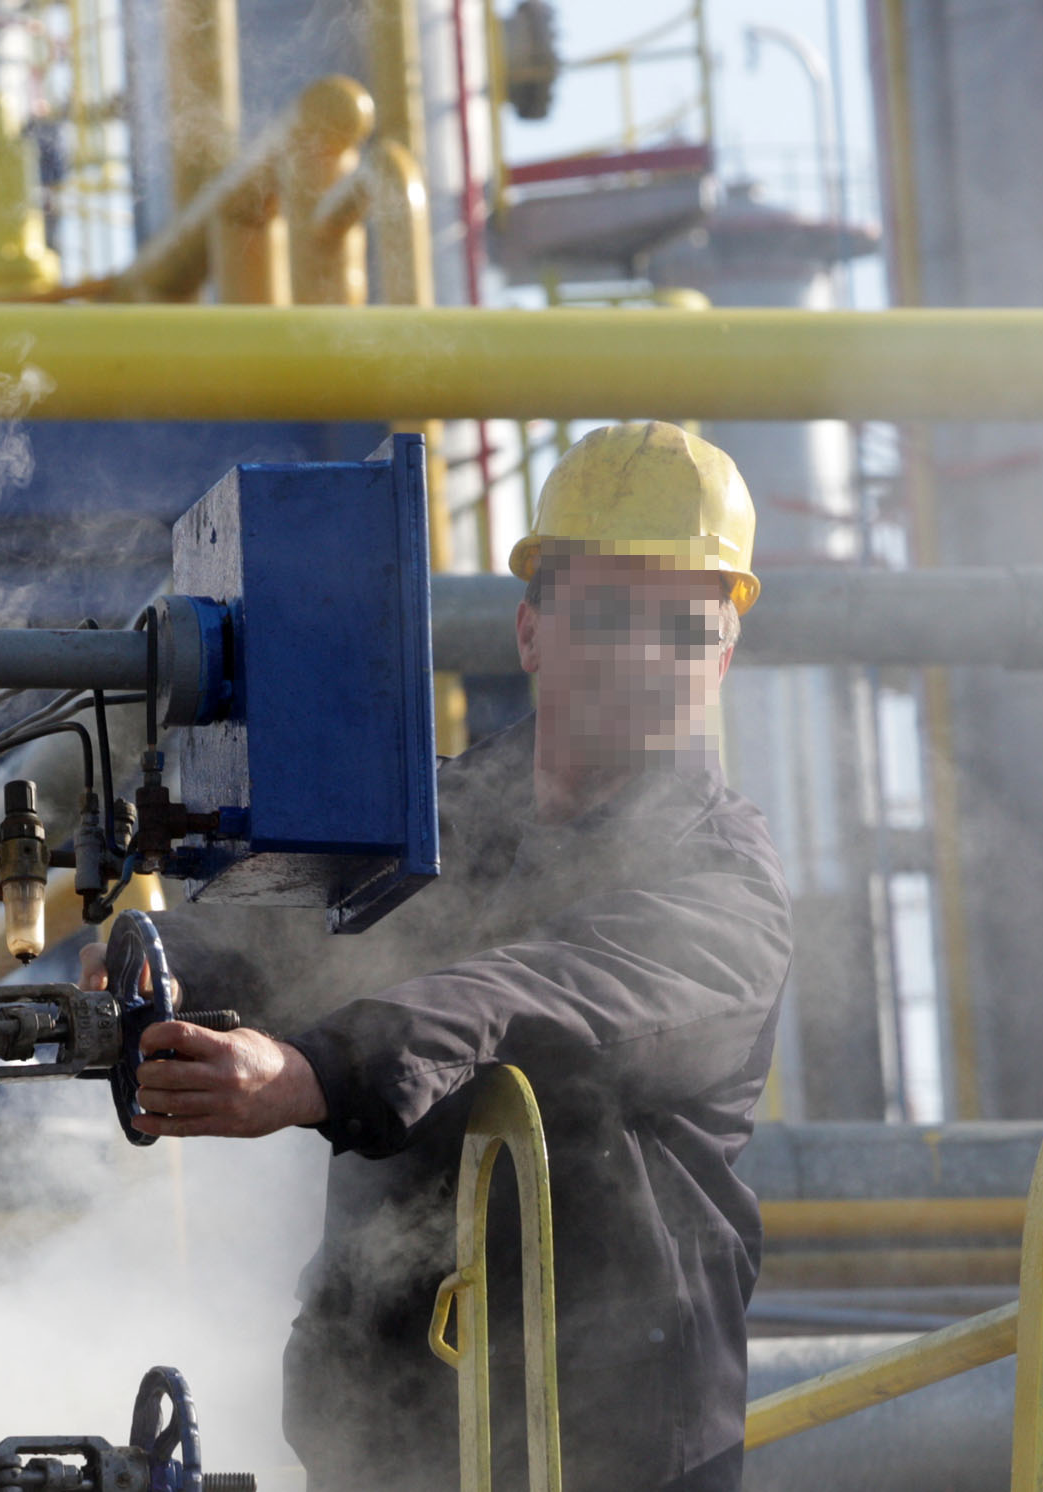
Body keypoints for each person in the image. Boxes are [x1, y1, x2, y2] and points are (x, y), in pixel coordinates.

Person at [83, 420, 792, 1492]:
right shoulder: (440, 822)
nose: (649, 657)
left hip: (604, 1448)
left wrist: (318, 1070)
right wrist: (161, 965)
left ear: (723, 656)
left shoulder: (725, 884)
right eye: (611, 613)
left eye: (686, 628)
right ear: (532, 631)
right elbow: (293, 932)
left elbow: (537, 996)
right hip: (386, 1425)